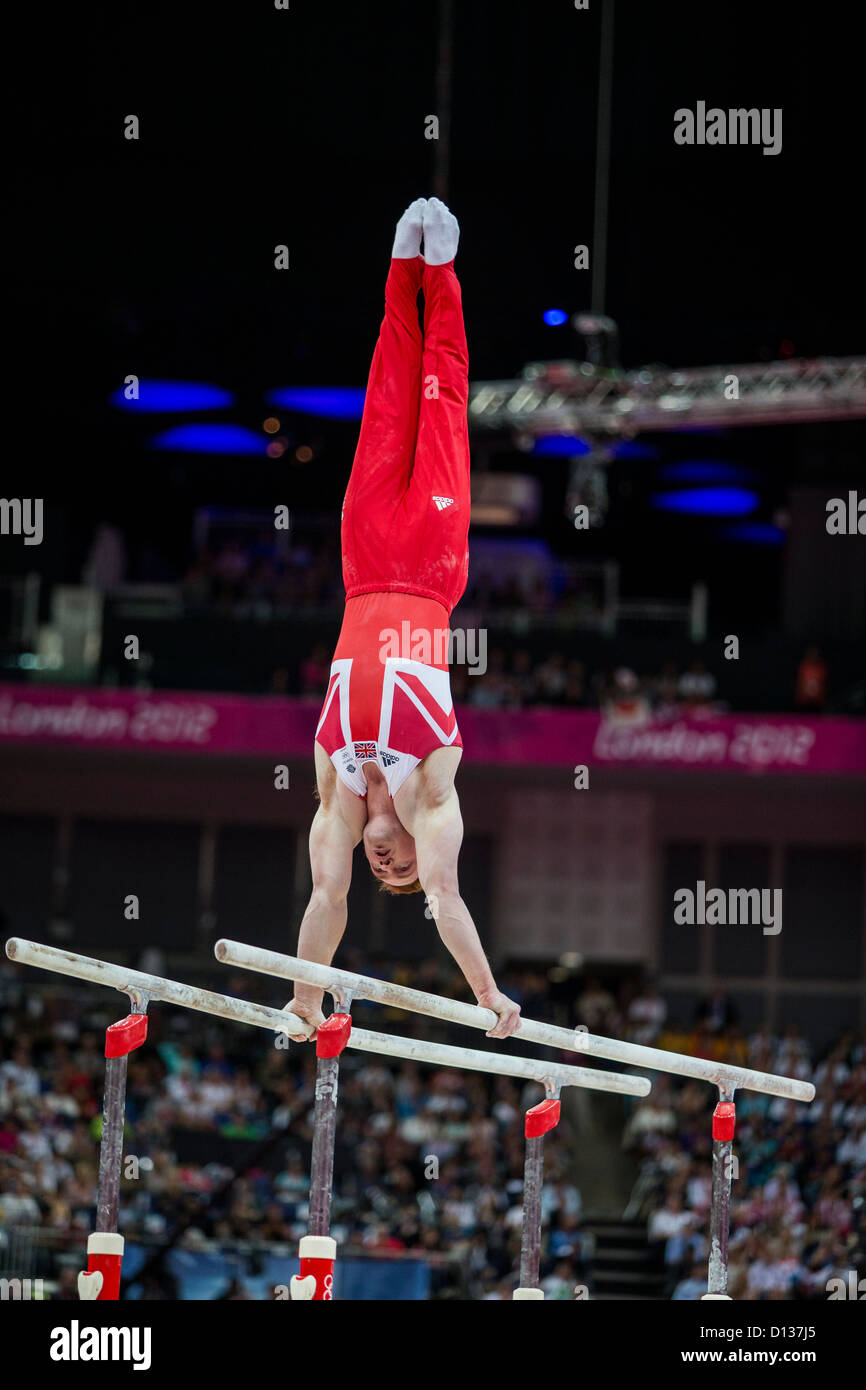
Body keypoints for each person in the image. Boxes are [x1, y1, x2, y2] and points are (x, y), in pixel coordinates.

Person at [285, 200, 520, 1042]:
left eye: (381, 873)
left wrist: (309, 1000)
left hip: (359, 568)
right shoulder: (432, 795)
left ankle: (397, 264)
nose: (390, 868)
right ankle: (443, 271)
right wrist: (488, 996)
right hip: (428, 570)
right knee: (442, 395)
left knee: (387, 399)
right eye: (404, 876)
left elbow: (326, 895)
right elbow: (449, 899)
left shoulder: (336, 794)